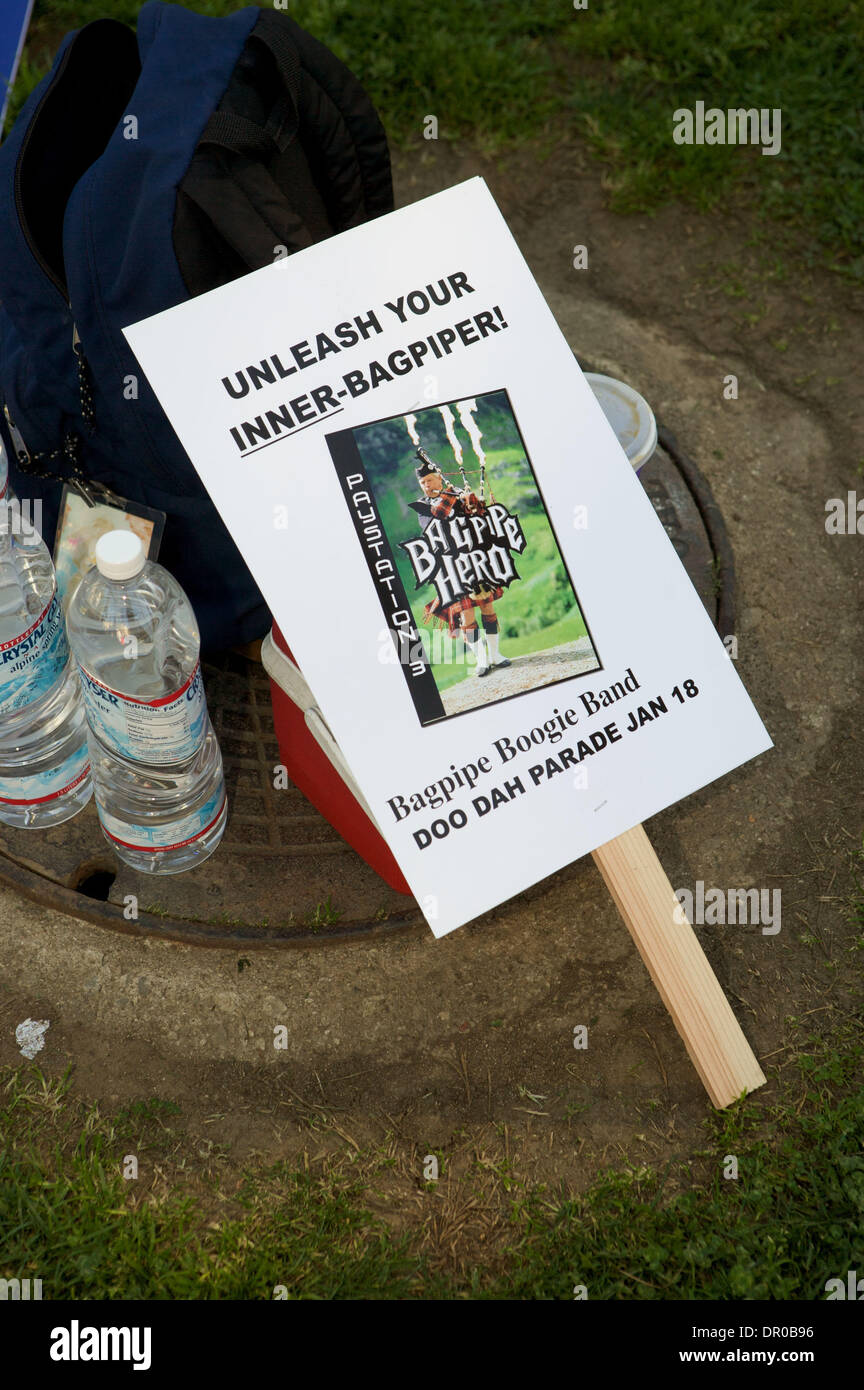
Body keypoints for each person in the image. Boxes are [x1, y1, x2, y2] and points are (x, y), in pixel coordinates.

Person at [414, 454, 511, 678]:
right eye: (423, 483)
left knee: (488, 608)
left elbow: (478, 519)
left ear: (439, 478)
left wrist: (473, 504)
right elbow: (435, 524)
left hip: (475, 562)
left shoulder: (458, 493)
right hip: (454, 568)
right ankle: (482, 660)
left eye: (430, 480)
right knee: (466, 616)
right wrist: (450, 501)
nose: (427, 485)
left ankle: (495, 655)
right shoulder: (422, 507)